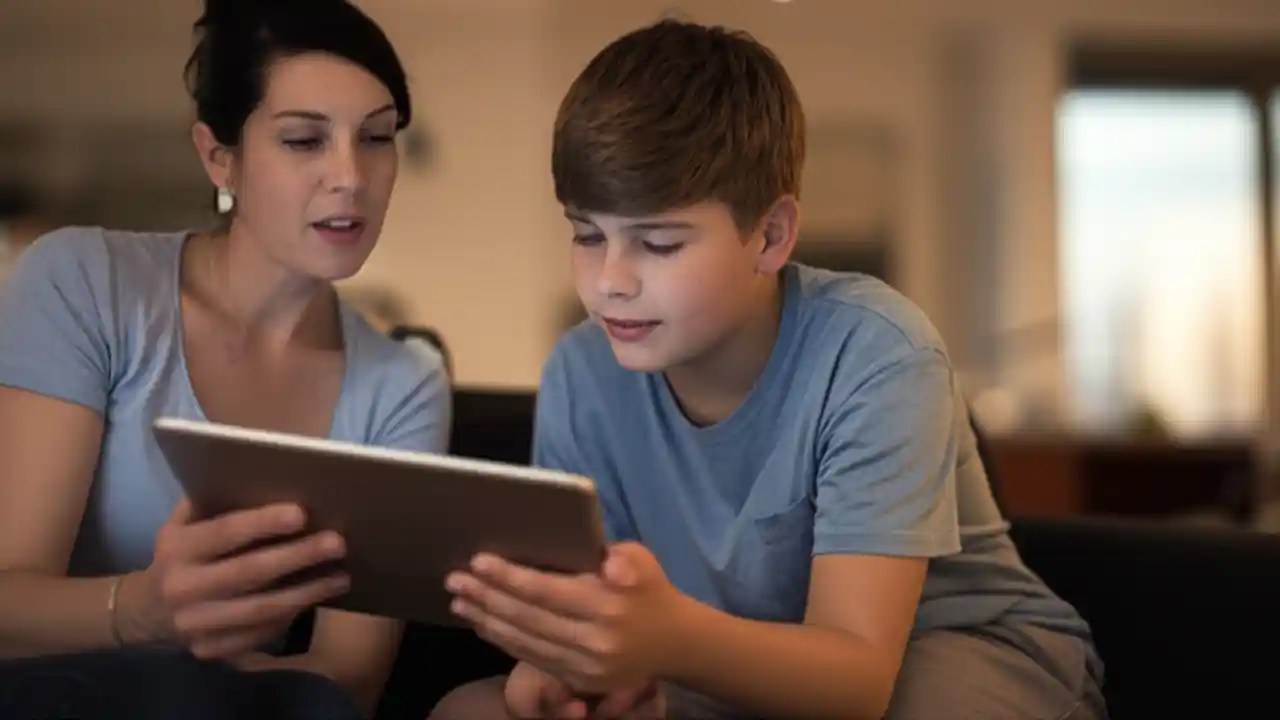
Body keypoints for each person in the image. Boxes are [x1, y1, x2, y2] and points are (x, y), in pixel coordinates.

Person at [432, 19, 1106, 720]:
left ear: (771, 236)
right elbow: (605, 619)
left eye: (658, 243)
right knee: (469, 711)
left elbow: (855, 683)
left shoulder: (877, 353)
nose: (609, 281)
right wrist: (565, 671)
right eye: (586, 234)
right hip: (714, 663)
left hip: (942, 650)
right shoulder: (581, 372)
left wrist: (663, 643)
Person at [0, 0, 449, 717]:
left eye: (377, 137)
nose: (352, 176)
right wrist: (142, 612)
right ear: (219, 156)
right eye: (304, 140)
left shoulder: (402, 385)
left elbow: (346, 676)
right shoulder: (85, 282)